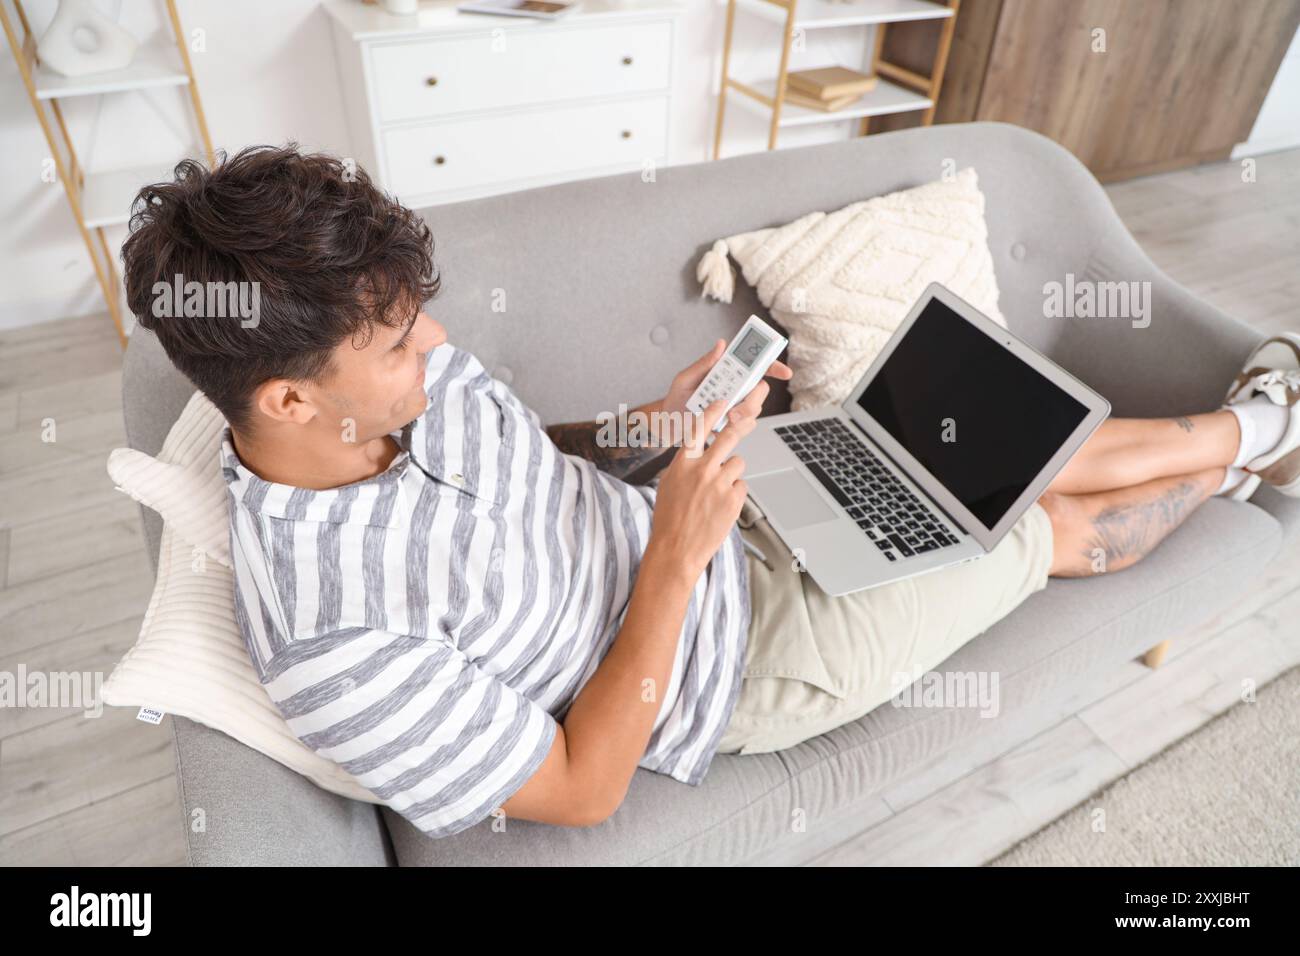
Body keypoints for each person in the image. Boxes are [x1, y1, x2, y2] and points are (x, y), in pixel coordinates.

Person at [121, 145, 1300, 838]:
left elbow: (537, 450)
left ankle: (1249, 424)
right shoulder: (335, 642)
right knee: (1027, 516)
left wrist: (661, 424)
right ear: (283, 400)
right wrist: (680, 555)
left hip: (712, 499)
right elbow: (583, 786)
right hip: (744, 653)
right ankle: (1254, 453)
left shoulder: (400, 386)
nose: (432, 339)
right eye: (393, 338)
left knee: (959, 444)